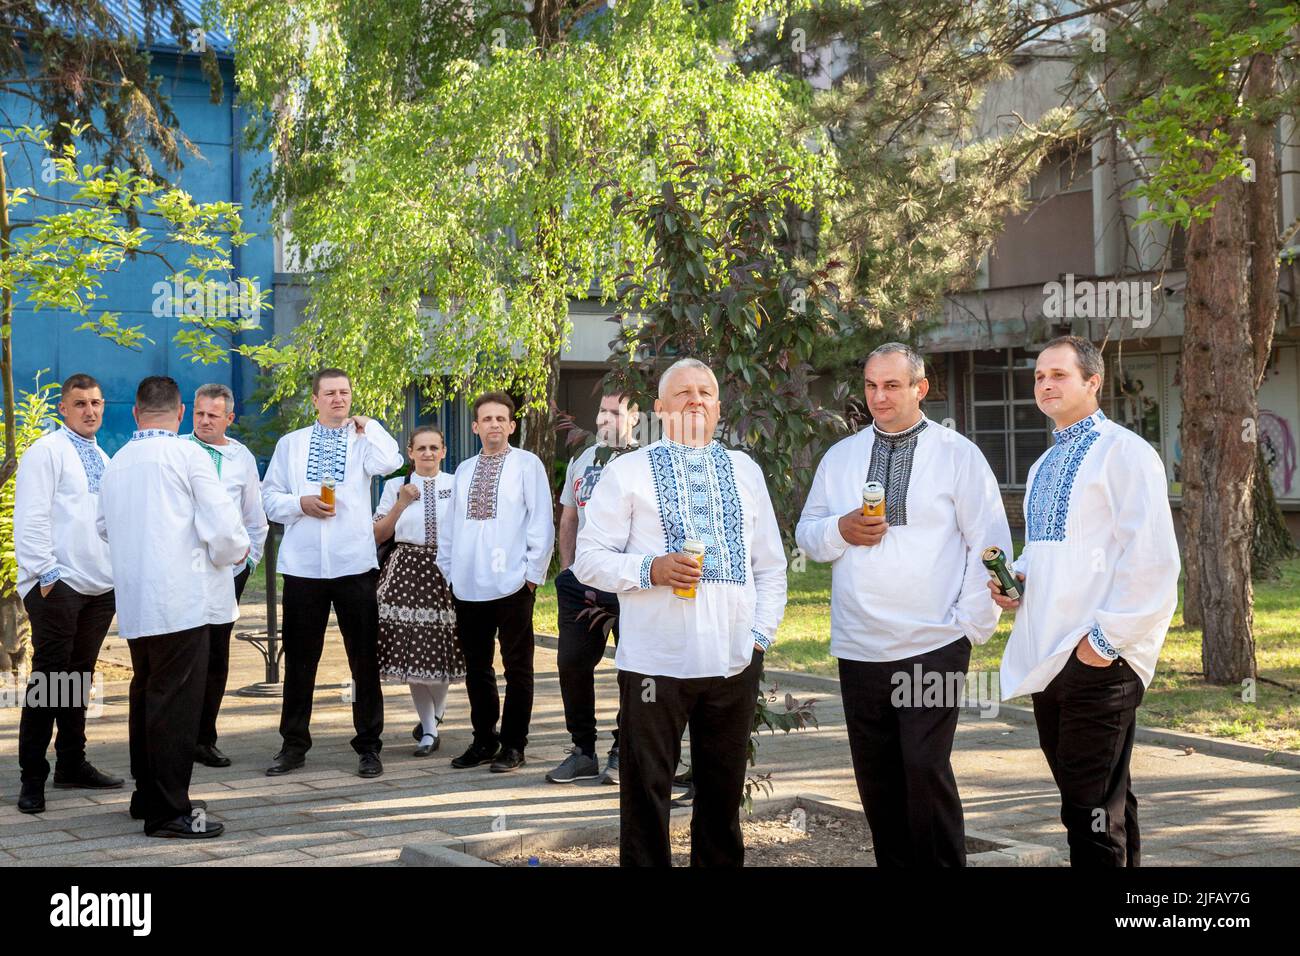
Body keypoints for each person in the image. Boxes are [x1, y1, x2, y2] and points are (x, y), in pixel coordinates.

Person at [796, 342, 1012, 867]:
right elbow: (807, 534)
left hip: (932, 642)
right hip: (859, 643)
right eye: (871, 385)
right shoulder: (840, 456)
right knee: (877, 778)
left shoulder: (958, 454)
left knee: (924, 769)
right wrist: (840, 529)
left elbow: (989, 543)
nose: (879, 396)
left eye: (892, 385)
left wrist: (968, 626)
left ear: (921, 388)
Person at [573, 358, 787, 867]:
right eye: (683, 392)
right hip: (655, 663)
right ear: (660, 409)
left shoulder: (746, 471)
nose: (696, 400)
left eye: (706, 392)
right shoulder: (629, 470)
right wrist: (652, 569)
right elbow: (588, 560)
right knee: (646, 794)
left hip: (734, 661)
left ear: (718, 406)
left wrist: (758, 639)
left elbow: (772, 568)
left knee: (721, 797)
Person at [992, 335, 1179, 867]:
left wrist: (1101, 644)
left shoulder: (1124, 453)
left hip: (1100, 656)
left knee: (1088, 809)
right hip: (1050, 657)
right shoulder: (1043, 465)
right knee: (1105, 803)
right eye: (1038, 377)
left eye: (1059, 375)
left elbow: (1155, 561)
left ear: (1092, 382)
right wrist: (1016, 581)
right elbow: (1048, 551)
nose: (1045, 384)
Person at [97, 376, 249, 838]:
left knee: (147, 696)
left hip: (138, 599)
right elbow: (223, 530)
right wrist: (236, 553)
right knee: (176, 705)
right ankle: (168, 811)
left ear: (136, 413)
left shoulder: (117, 461)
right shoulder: (189, 456)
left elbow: (103, 527)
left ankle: (148, 795)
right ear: (181, 412)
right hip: (183, 598)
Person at [261, 369, 403, 778]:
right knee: (301, 659)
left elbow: (391, 461)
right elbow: (269, 498)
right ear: (315, 399)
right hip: (304, 566)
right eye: (330, 393)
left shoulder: (363, 442)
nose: (338, 399)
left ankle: (369, 745)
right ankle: (293, 745)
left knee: (363, 658)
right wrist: (299, 504)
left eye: (344, 393)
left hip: (353, 563)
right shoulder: (291, 444)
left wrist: (370, 426)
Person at [13, 373, 121, 814]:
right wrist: (46, 573)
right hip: (56, 584)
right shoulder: (46, 451)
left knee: (79, 678)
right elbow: (31, 516)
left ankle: (72, 763)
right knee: (49, 681)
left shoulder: (105, 455)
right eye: (80, 404)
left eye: (96, 402)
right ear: (63, 408)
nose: (90, 411)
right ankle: (31, 777)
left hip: (99, 585)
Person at [436, 392, 554, 773]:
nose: (494, 425)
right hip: (468, 584)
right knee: (477, 666)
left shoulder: (526, 464)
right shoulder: (465, 470)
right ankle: (484, 739)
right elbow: (451, 526)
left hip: (513, 583)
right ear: (475, 426)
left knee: (517, 666)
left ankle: (514, 744)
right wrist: (450, 572)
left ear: (512, 425)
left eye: (501, 419)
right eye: (486, 419)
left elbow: (541, 522)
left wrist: (532, 577)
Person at [548, 391, 639, 785]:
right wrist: (568, 571)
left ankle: (625, 748)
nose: (605, 418)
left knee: (633, 669)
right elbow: (569, 518)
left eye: (615, 412)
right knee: (572, 664)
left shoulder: (644, 461)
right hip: (582, 585)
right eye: (601, 410)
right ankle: (583, 749)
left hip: (631, 585)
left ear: (635, 417)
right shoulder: (583, 459)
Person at [185, 383, 269, 768]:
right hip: (183, 572)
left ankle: (205, 738)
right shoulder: (179, 450)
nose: (204, 421)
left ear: (229, 418)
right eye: (199, 413)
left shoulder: (241, 457)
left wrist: (246, 564)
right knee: (184, 653)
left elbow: (255, 518)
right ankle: (177, 739)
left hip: (227, 574)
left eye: (212, 415)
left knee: (217, 654)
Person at [372, 424, 465, 756]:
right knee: (414, 653)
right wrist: (401, 503)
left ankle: (434, 717)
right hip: (406, 571)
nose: (428, 453)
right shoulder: (396, 485)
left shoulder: (456, 484)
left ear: (443, 451)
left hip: (446, 568)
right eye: (421, 448)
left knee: (440, 650)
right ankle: (428, 729)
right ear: (410, 453)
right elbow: (379, 534)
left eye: (434, 448)